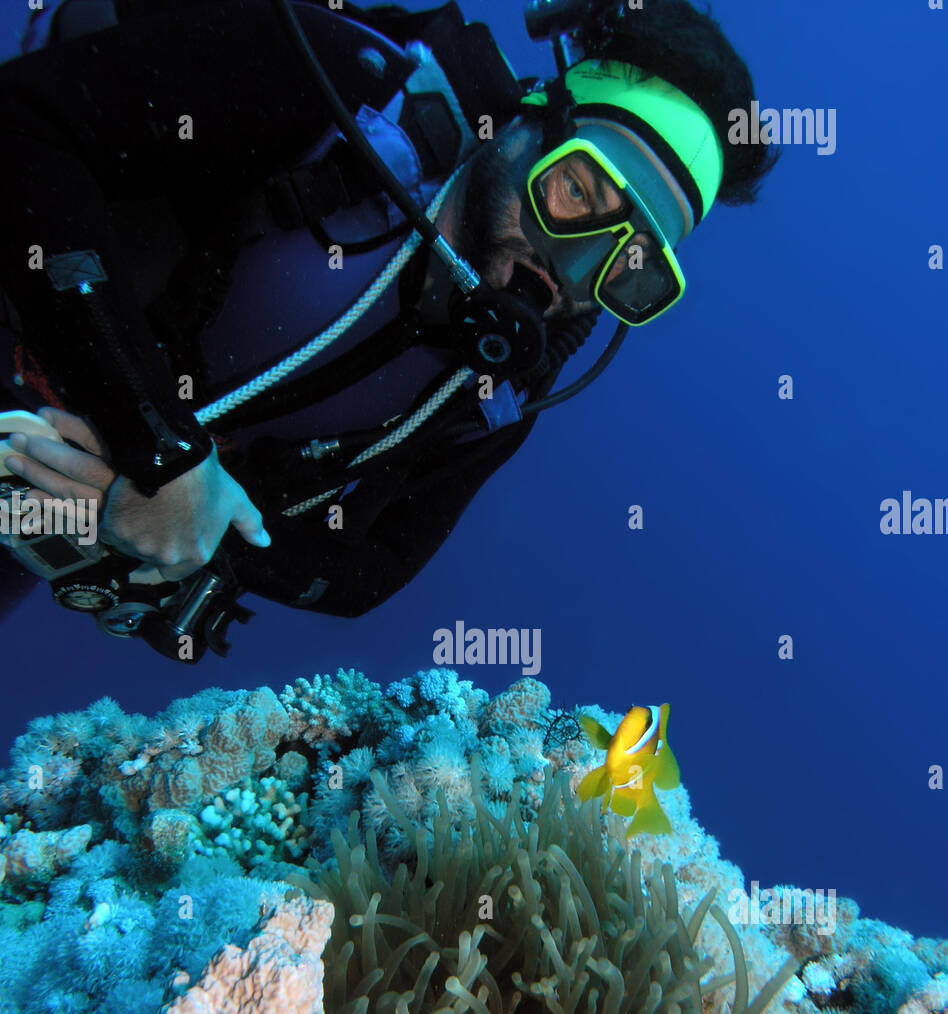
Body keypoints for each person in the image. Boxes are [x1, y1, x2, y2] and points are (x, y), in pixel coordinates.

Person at [0, 0, 776, 659]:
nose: (569, 272)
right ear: (530, 121)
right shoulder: (336, 83)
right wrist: (161, 453)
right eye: (578, 191)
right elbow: (23, 127)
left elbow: (373, 566)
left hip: (45, 496)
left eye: (628, 260)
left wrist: (208, 547)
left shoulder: (504, 383)